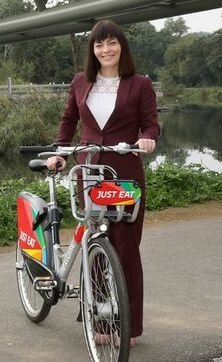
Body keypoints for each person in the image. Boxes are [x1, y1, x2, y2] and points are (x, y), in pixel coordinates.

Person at [46, 19, 160, 348]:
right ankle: (101, 319)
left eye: (111, 43)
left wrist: (148, 139)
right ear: (92, 51)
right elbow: (68, 120)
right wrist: (61, 153)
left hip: (124, 173)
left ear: (121, 47)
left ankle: (130, 325)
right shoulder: (82, 81)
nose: (105, 50)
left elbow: (151, 125)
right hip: (89, 171)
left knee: (125, 249)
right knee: (94, 242)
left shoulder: (140, 84)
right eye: (98, 45)